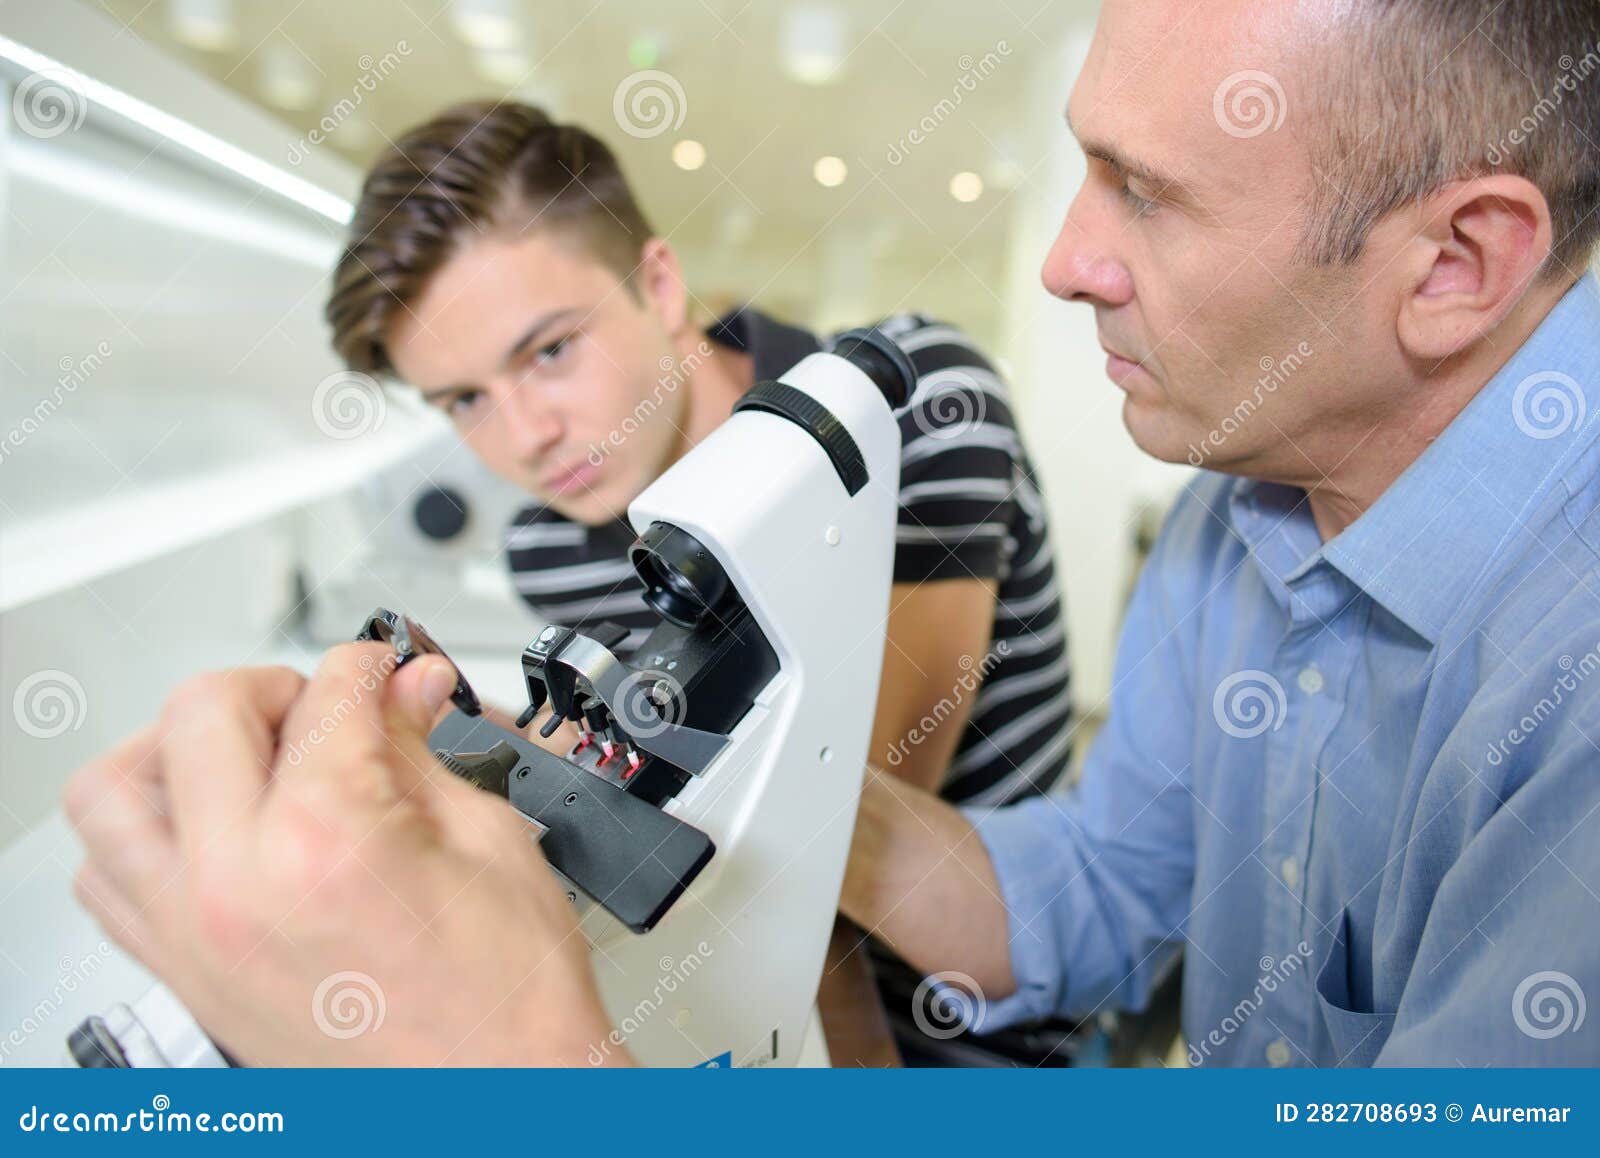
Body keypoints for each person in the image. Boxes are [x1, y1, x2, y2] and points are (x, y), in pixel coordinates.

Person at [65, 0, 1600, 1065]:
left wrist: (503, 1059)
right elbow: (1097, 892)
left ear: (1457, 263)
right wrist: (605, 771)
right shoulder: (1237, 509)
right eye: (1083, 167)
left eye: (1143, 193)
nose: (1063, 261)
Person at [67, 101, 1075, 1066]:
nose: (527, 437)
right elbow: (657, 793)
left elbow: (827, 821)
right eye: (465, 400)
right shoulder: (548, 544)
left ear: (660, 285)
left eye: (550, 351)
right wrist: (483, 755)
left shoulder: (900, 407)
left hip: (980, 1033)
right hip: (717, 1002)